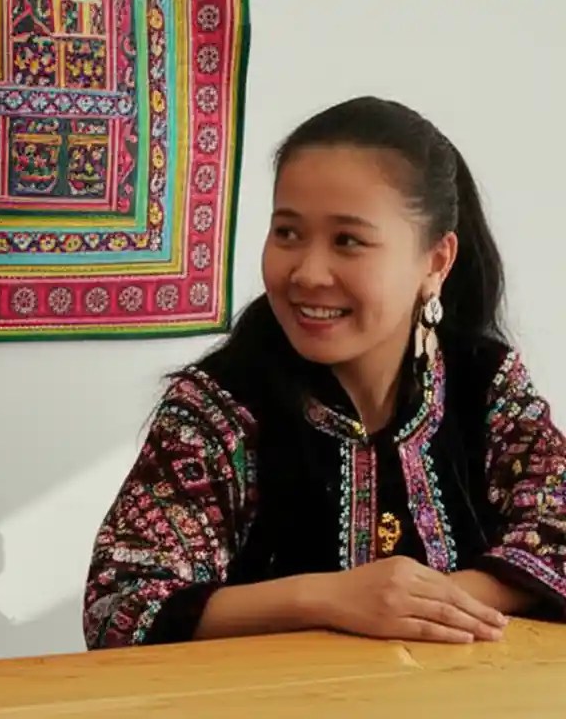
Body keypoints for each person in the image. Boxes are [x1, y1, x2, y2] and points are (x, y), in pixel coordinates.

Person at [83, 96, 566, 649]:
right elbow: (119, 605)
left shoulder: (486, 384)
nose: (308, 273)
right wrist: (328, 599)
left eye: (348, 241)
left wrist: (431, 601)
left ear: (436, 262)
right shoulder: (217, 407)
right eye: (288, 233)